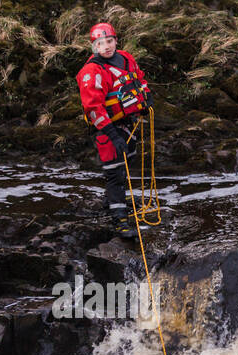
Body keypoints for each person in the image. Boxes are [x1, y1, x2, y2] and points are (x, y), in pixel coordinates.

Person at [76, 22, 152, 239]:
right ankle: (119, 220)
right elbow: (93, 108)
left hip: (129, 123)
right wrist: (111, 134)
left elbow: (139, 79)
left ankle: (114, 202)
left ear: (116, 41)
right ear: (94, 46)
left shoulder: (126, 58)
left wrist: (146, 99)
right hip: (106, 128)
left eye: (109, 41)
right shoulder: (92, 71)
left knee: (128, 164)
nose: (106, 46)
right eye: (101, 43)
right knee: (115, 172)